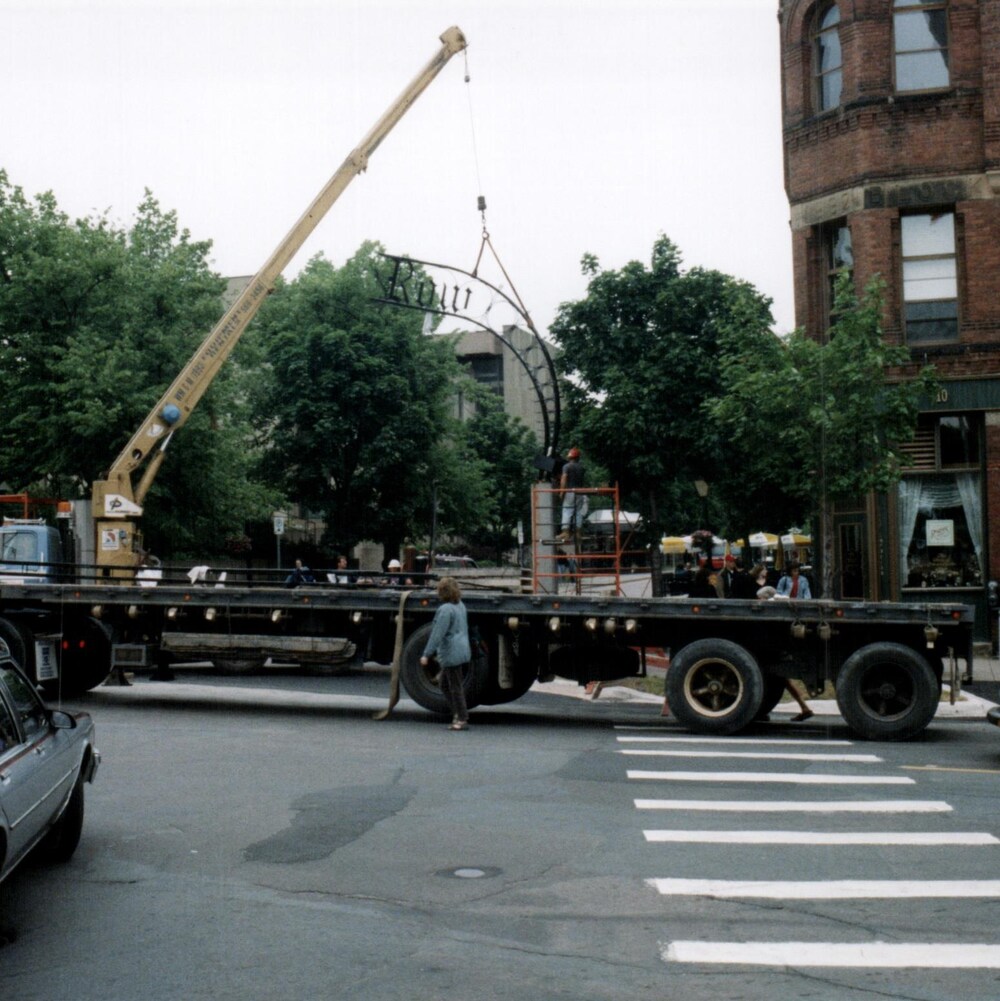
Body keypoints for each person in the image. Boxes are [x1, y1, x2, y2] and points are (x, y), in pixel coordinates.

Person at [420, 577, 472, 731]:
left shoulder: (445, 610)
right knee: (444, 683)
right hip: (462, 648)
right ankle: (457, 713)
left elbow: (437, 634)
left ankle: (462, 718)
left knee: (455, 687)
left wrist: (426, 654)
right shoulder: (460, 605)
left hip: (451, 652)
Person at [756, 584, 814, 721]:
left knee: (778, 680)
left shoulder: (770, 611)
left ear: (766, 598)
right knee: (783, 682)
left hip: (775, 651)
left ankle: (804, 707)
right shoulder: (781, 610)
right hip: (781, 650)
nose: (758, 601)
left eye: (760, 598)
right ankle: (803, 707)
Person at [556, 447, 586, 542]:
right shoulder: (581, 468)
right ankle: (578, 533)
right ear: (578, 458)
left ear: (569, 457)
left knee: (567, 511)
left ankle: (565, 532)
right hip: (580, 493)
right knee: (579, 512)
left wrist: (562, 492)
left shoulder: (566, 467)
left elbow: (564, 479)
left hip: (569, 492)